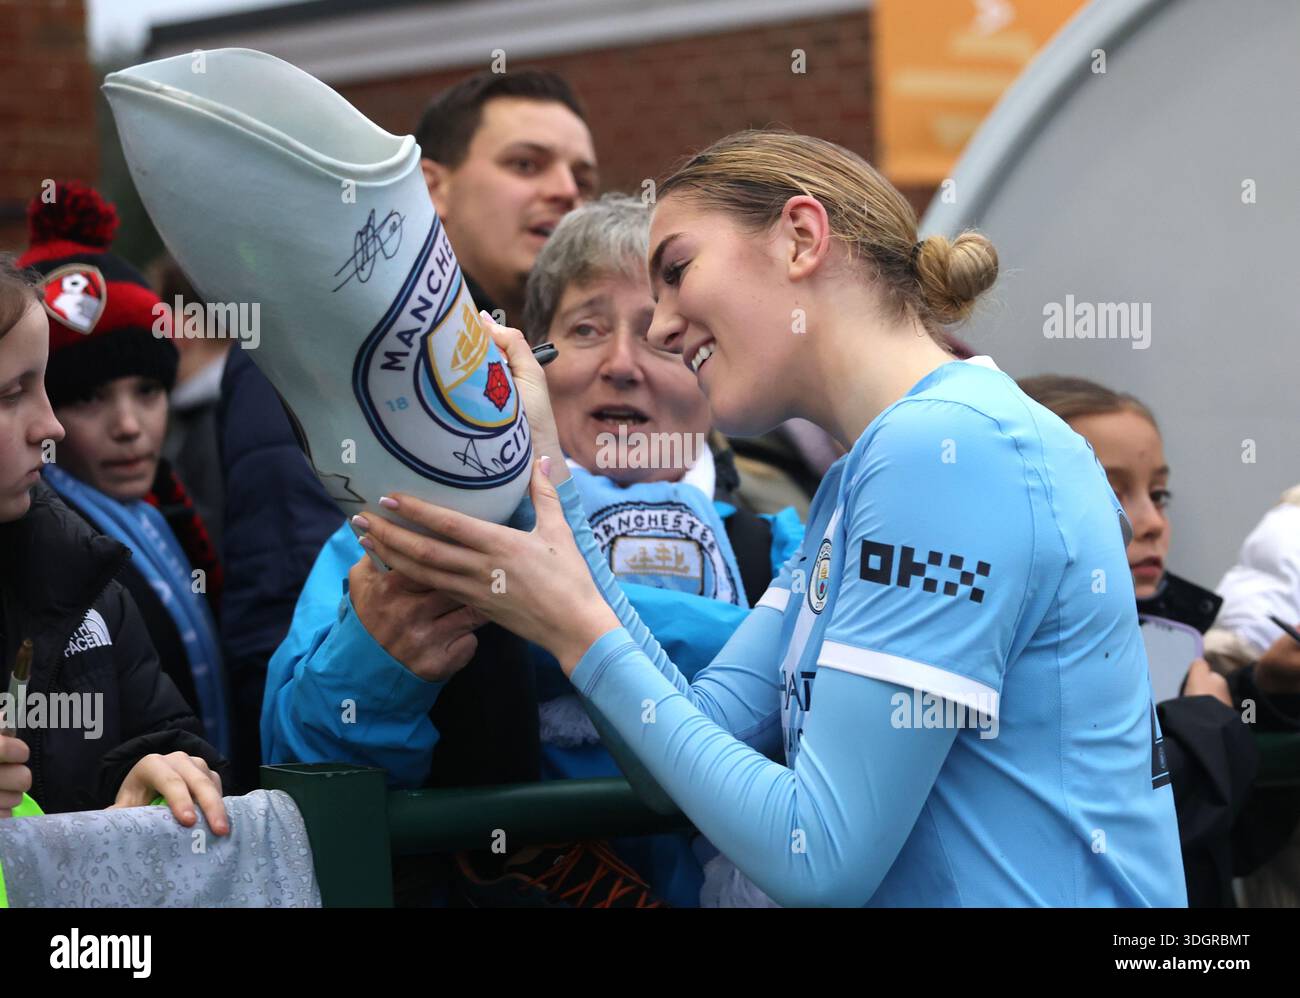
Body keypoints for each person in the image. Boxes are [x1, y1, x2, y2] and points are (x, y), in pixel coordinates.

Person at [350, 128, 1188, 906]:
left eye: (677, 270)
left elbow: (817, 855)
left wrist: (569, 621)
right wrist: (554, 492)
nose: (663, 328)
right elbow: (681, 752)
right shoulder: (867, 473)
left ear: (801, 236)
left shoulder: (949, 448)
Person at [263, 194, 803, 907]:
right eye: (586, 329)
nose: (621, 364)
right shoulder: (406, 531)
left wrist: (544, 608)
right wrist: (378, 661)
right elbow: (303, 776)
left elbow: (826, 711)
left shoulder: (788, 547)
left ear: (709, 366)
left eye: (657, 335)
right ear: (524, 362)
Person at [220, 68, 600, 796]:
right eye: (527, 164)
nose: (564, 190)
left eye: (582, 175)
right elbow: (292, 603)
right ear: (431, 188)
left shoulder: (549, 358)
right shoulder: (329, 346)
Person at [1018, 374, 1300, 906]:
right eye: (1110, 493)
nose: (1150, 523)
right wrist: (1209, 725)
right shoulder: (1017, 672)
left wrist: (1267, 694)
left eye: (1159, 494)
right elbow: (1119, 839)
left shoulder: (1175, 640)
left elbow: (1232, 847)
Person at [0, 255, 228, 831]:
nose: (49, 427)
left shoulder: (83, 574)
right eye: (10, 394)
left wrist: (155, 775)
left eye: (149, 390)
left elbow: (158, 738)